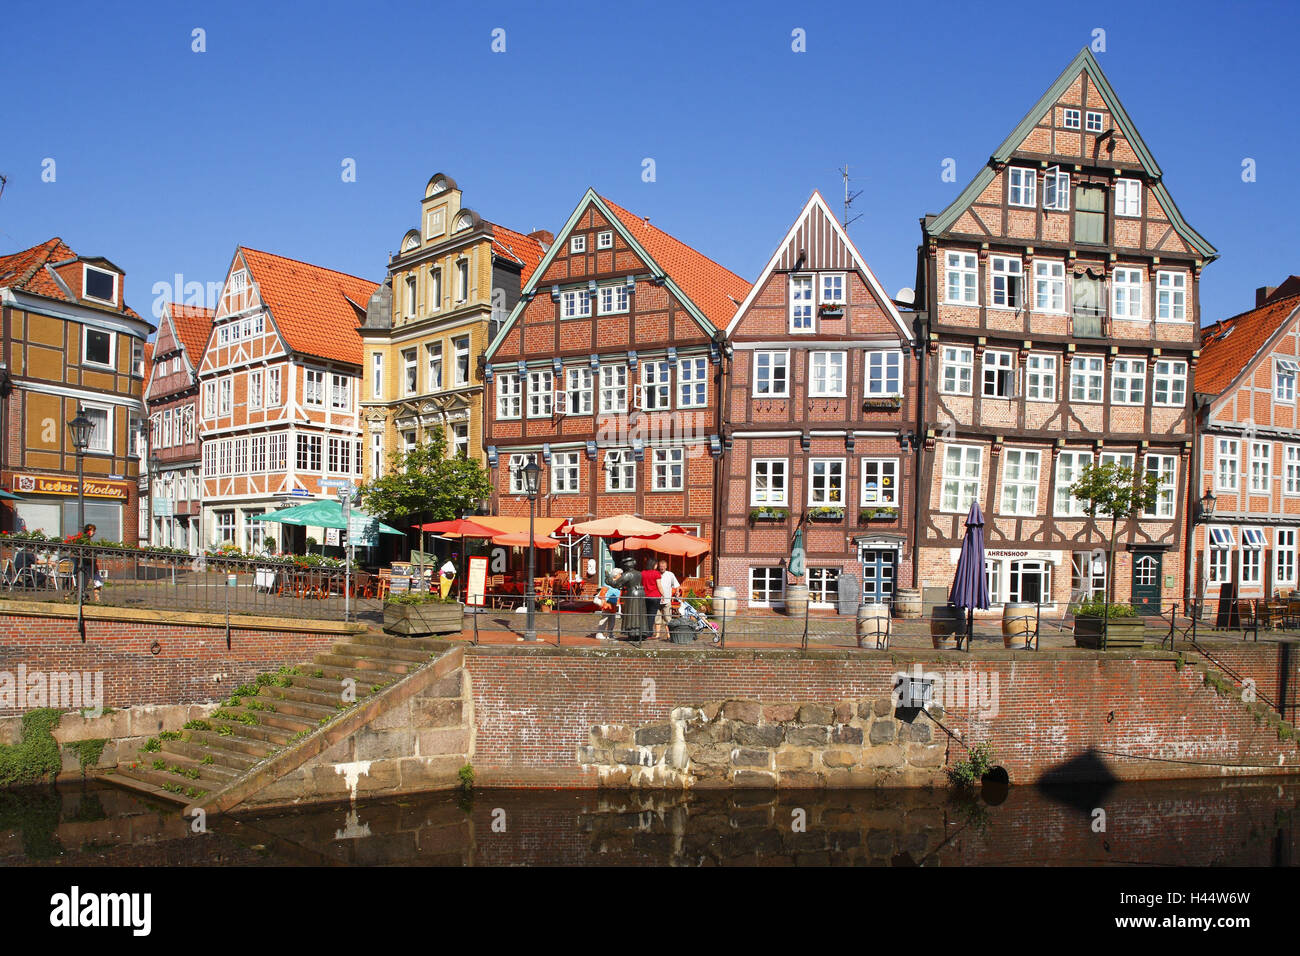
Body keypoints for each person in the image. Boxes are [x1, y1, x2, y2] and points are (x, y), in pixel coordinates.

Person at [618, 557, 650, 641]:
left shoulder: (628, 574)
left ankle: (632, 632)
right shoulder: (639, 573)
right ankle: (640, 631)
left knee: (632, 612)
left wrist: (608, 578)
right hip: (640, 593)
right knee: (639, 613)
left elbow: (616, 584)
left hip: (632, 593)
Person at [592, 569, 622, 640]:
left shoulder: (618, 584)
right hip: (607, 603)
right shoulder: (608, 583)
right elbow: (602, 593)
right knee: (604, 618)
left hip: (614, 604)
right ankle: (599, 633)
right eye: (620, 574)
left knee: (612, 620)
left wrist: (618, 603)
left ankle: (610, 633)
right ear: (615, 575)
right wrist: (603, 602)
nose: (621, 575)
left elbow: (619, 594)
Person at [656, 558, 681, 638]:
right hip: (657, 600)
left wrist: (677, 592)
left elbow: (677, 585)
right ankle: (657, 634)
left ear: (666, 566)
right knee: (657, 618)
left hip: (667, 600)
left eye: (663, 566)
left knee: (667, 618)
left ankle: (669, 635)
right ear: (658, 567)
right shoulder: (656, 574)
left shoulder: (670, 574)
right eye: (660, 566)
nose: (662, 567)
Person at [641, 559, 663, 639]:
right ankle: (649, 633)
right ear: (654, 565)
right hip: (655, 596)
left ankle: (644, 631)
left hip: (644, 596)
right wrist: (663, 595)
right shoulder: (656, 573)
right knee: (651, 615)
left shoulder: (642, 573)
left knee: (645, 614)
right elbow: (659, 586)